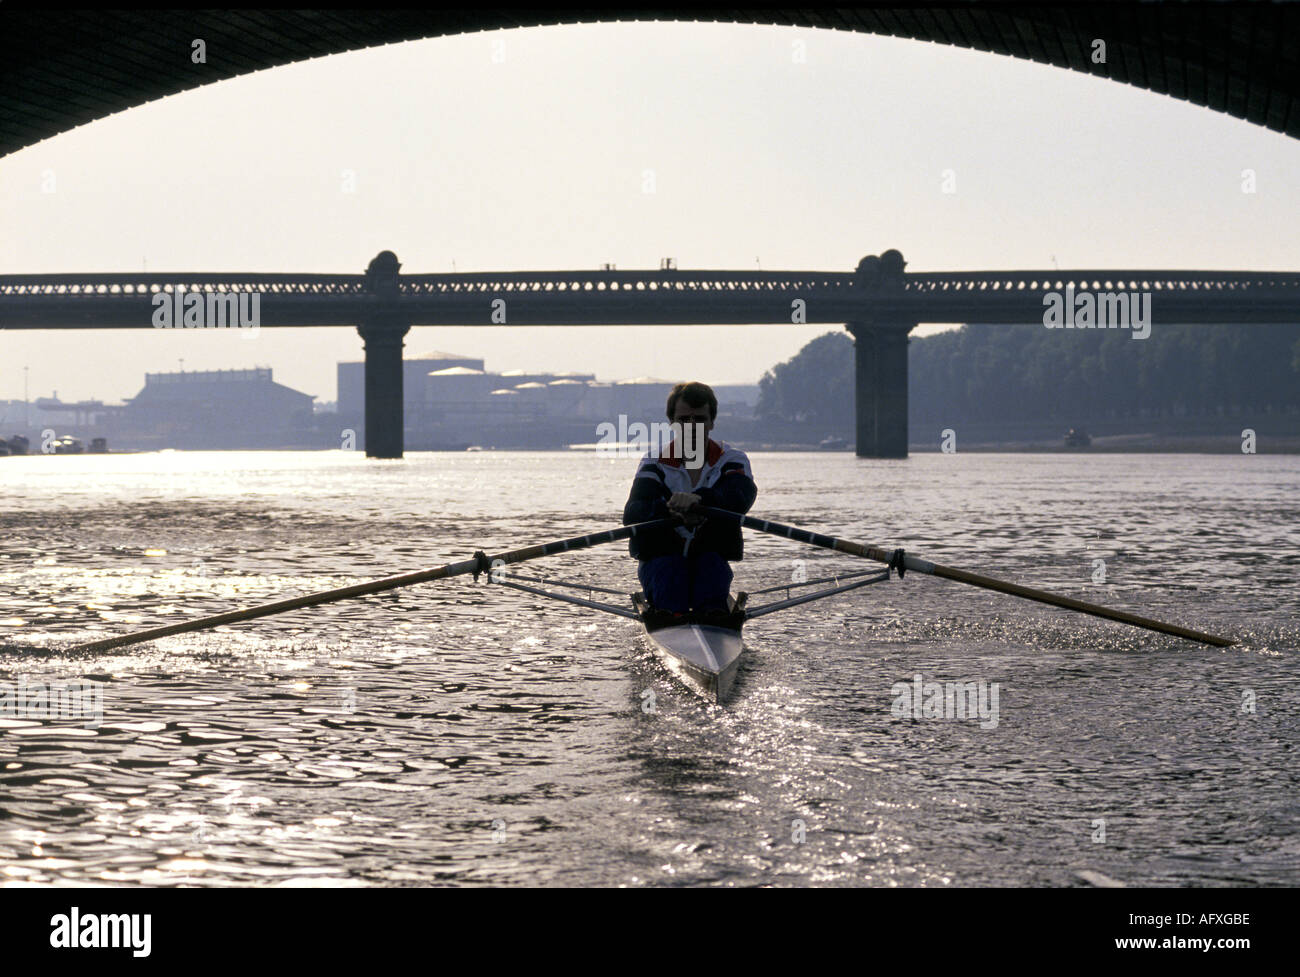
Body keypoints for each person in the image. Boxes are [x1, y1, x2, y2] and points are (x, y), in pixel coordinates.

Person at [622, 381, 757, 614]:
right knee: (670, 570)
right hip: (662, 561)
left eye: (700, 419)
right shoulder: (654, 462)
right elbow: (633, 512)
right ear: (672, 423)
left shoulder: (732, 460)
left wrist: (699, 502)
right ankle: (673, 617)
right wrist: (670, 510)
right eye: (684, 420)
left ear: (712, 422)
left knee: (710, 569)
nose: (692, 427)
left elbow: (739, 498)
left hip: (710, 560)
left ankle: (710, 619)